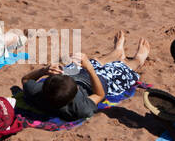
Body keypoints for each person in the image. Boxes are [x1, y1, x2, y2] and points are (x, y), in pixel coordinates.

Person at [20, 31, 150, 121]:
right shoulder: (79, 108)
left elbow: (26, 79)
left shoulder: (36, 93)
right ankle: (138, 60)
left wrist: (44, 70)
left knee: (87, 62)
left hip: (72, 79)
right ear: (76, 93)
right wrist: (89, 69)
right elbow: (100, 95)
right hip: (96, 84)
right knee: (120, 70)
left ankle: (116, 53)